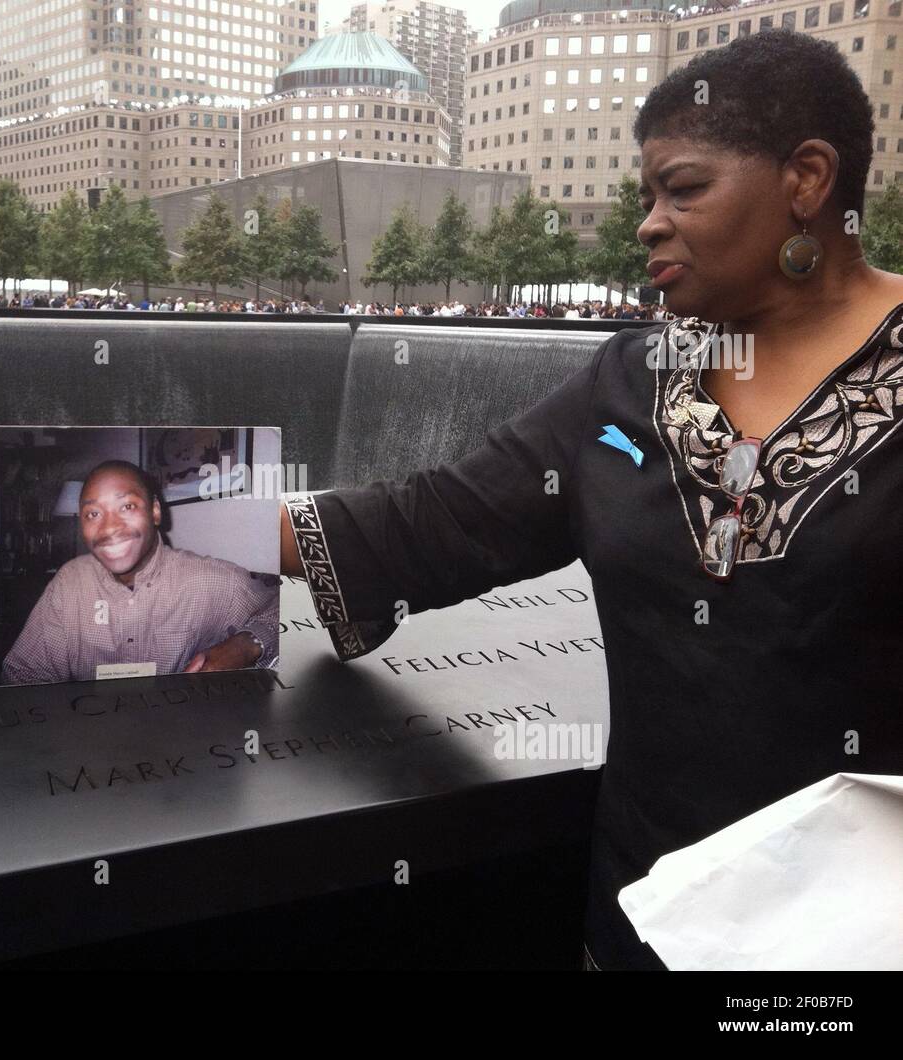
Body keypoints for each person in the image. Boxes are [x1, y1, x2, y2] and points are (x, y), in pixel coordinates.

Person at [278, 28, 902, 972]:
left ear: (807, 180)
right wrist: (188, 521)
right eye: (647, 196)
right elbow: (433, 524)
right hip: (648, 927)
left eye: (683, 189)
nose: (648, 222)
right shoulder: (628, 385)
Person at [3, 460, 278, 685]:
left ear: (155, 511)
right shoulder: (70, 582)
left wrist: (248, 643)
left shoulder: (208, 580)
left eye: (127, 506)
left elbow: (293, 612)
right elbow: (23, 675)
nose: (109, 528)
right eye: (93, 514)